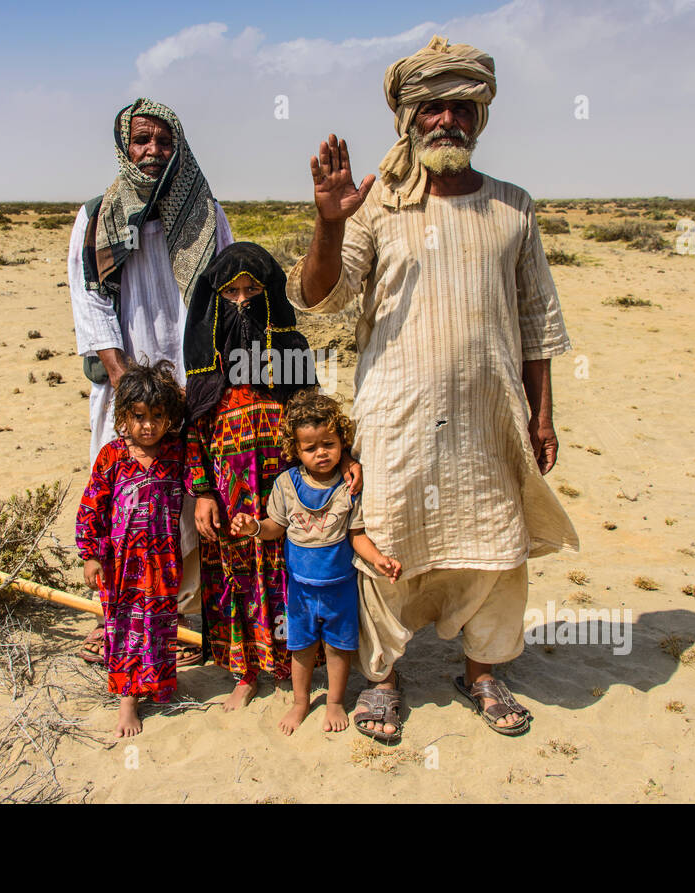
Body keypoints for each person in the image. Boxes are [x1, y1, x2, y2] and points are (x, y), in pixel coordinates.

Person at [287, 36, 580, 742]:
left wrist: (542, 416)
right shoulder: (375, 204)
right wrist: (330, 222)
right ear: (409, 117)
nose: (447, 117)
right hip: (397, 416)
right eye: (433, 106)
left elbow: (537, 318)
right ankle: (383, 683)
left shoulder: (513, 206)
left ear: (479, 117)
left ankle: (482, 671)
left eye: (461, 106)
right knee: (386, 538)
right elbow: (319, 296)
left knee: (494, 544)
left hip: (491, 417)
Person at [67, 97, 233, 666]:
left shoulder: (205, 211)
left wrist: (202, 379)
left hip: (193, 382)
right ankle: (113, 613)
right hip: (128, 392)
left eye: (163, 141)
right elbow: (90, 302)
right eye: (141, 140)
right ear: (124, 145)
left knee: (184, 498)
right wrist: (127, 383)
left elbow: (226, 292)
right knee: (122, 496)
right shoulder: (97, 216)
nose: (153, 151)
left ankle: (180, 614)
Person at [183, 241, 361, 711]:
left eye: (251, 290)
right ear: (215, 300)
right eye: (232, 292)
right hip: (228, 491)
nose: (242, 301)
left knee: (290, 575)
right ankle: (244, 673)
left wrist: (344, 461)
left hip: (288, 490)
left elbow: (318, 419)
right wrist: (202, 493)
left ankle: (292, 665)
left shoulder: (291, 350)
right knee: (233, 576)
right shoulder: (206, 360)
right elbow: (194, 433)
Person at [229, 390, 400, 735]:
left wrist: (379, 559)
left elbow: (356, 535)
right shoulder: (286, 485)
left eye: (329, 443)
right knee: (301, 648)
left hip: (341, 588)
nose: (321, 452)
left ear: (342, 442)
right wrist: (253, 528)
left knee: (339, 648)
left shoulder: (349, 487)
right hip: (301, 591)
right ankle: (300, 702)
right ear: (296, 450)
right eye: (310, 448)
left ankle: (335, 702)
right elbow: (275, 529)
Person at [75, 361, 187, 738]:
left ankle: (157, 685)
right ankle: (127, 699)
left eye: (157, 416)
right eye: (138, 416)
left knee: (159, 624)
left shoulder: (176, 453)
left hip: (163, 560)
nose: (148, 425)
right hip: (119, 564)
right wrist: (90, 554)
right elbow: (91, 506)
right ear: (123, 416)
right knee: (123, 627)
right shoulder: (111, 456)